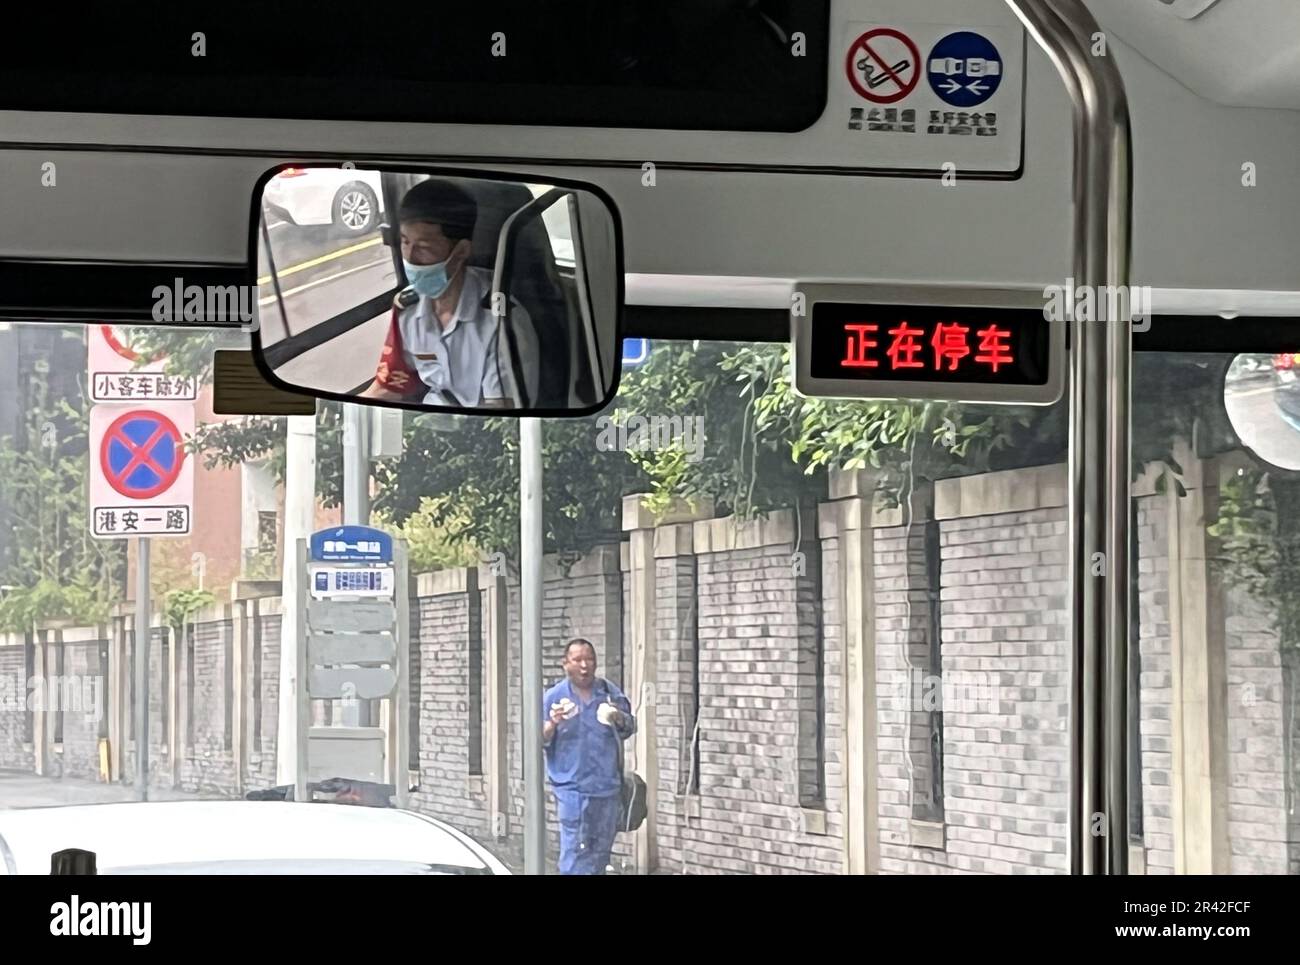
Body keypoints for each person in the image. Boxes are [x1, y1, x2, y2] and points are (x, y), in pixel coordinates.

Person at [363, 178, 537, 408]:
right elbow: (390, 385)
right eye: (405, 243)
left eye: (424, 248)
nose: (410, 259)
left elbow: (498, 412)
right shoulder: (407, 309)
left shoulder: (501, 320)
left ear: (461, 251)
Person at [542, 638, 636, 875]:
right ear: (565, 664)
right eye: (577, 660)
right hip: (572, 789)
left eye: (589, 659)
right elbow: (538, 739)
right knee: (575, 852)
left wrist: (617, 717)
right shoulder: (554, 697)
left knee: (599, 854)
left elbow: (629, 727)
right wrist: (553, 723)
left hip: (606, 789)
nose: (584, 666)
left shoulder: (608, 693)